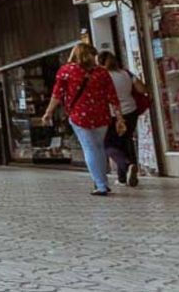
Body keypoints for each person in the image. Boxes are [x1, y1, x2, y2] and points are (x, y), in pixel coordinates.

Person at [41, 44, 125, 196]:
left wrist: (48, 112)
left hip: (79, 116)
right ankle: (102, 181)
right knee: (99, 147)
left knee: (89, 148)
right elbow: (112, 96)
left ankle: (101, 185)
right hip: (101, 115)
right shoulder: (102, 72)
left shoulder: (66, 71)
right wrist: (119, 117)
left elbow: (57, 94)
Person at [100, 51, 147, 187]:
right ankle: (122, 178)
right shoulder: (126, 73)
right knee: (124, 142)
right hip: (131, 111)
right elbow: (142, 89)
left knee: (107, 144)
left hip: (113, 114)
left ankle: (127, 165)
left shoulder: (102, 76)